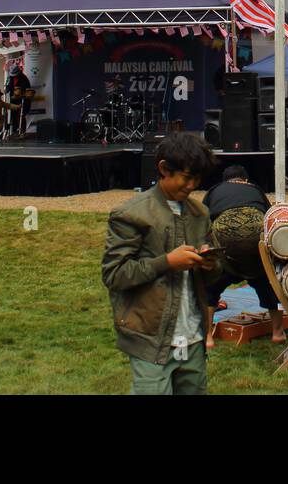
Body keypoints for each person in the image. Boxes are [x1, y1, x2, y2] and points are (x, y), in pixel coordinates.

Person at [101, 132, 221, 394]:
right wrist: (167, 262)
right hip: (150, 339)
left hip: (193, 340)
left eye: (198, 179)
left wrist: (210, 266)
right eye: (187, 177)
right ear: (164, 169)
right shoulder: (131, 213)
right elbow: (115, 275)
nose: (192, 185)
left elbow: (214, 278)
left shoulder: (200, 214)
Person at [202, 165, 283, 346]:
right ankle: (278, 333)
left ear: (224, 182)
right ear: (245, 179)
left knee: (210, 287)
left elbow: (202, 219)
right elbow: (270, 218)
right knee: (267, 283)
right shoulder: (255, 189)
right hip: (255, 241)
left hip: (225, 242)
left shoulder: (215, 190)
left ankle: (207, 337)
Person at [6, 63, 33, 135]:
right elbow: (9, 85)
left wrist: (20, 95)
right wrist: (7, 89)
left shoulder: (24, 78)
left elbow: (27, 91)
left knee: (21, 115)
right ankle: (14, 131)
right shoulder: (11, 78)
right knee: (13, 116)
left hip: (22, 100)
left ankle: (22, 131)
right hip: (13, 100)